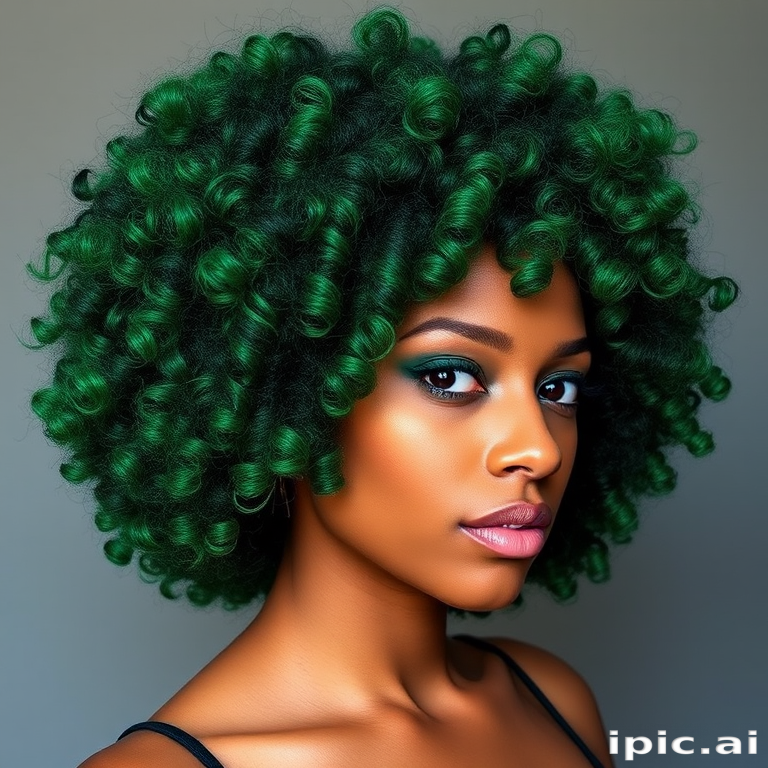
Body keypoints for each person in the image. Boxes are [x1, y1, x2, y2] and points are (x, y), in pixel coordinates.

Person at [27, 8, 736, 767]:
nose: (536, 448)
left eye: (559, 388)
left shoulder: (553, 699)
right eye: (450, 376)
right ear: (287, 395)